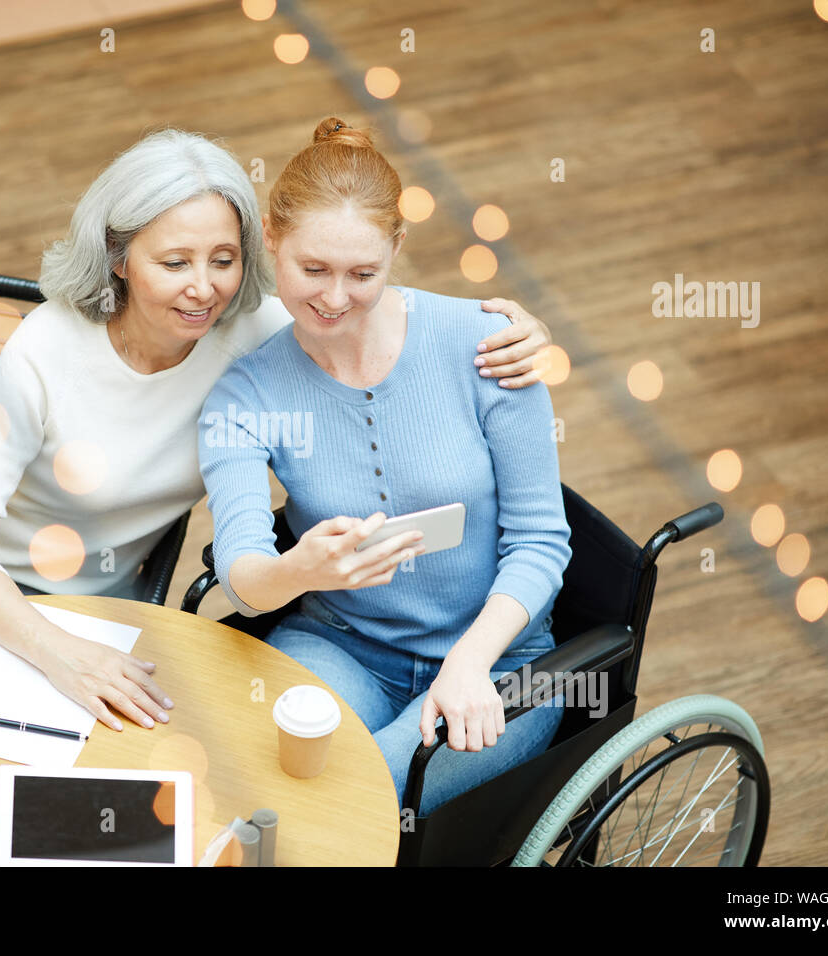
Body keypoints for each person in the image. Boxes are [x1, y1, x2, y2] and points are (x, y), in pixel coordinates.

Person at [0, 126, 554, 738]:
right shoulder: (48, 347)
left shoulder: (260, 334)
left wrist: (522, 334)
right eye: (174, 262)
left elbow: (372, 323)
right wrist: (58, 653)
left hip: (85, 603)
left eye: (223, 258)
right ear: (119, 256)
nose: (204, 288)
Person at [198, 117, 571, 814]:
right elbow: (244, 577)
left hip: (500, 662)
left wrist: (468, 663)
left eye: (363, 274)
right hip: (341, 646)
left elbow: (541, 542)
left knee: (360, 800)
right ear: (271, 240)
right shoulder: (245, 395)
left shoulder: (488, 348)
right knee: (256, 778)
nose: (335, 298)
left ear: (397, 248)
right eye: (312, 270)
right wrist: (297, 572)